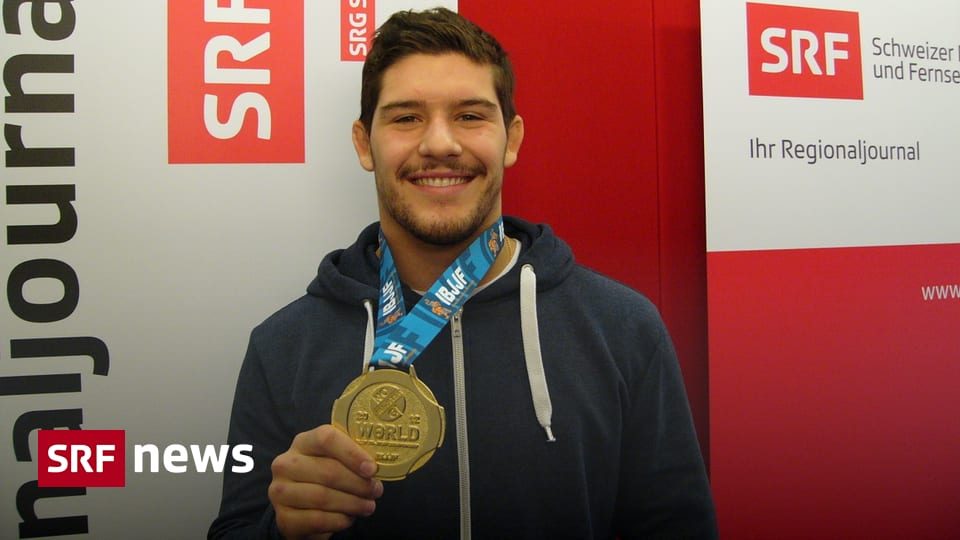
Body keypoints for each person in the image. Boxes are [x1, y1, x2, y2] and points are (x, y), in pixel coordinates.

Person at [209, 7, 716, 540]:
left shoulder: (623, 329)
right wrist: (281, 530)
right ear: (364, 144)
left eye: (470, 115)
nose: (440, 144)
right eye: (406, 117)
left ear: (511, 138)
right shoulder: (282, 346)